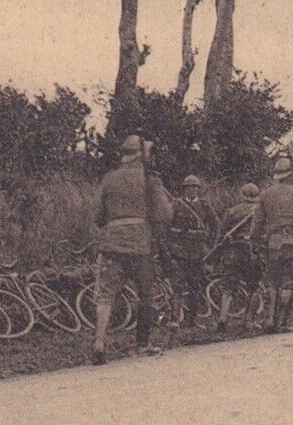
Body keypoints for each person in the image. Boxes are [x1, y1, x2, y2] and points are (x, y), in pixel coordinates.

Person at [89, 134, 173, 364]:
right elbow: (165, 214)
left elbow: (97, 215)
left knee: (106, 294)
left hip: (112, 244)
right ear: (142, 155)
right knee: (146, 294)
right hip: (140, 245)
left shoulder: (109, 179)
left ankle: (99, 342)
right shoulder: (150, 179)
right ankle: (142, 345)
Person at [250, 155, 293, 331]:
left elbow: (257, 223)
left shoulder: (265, 195)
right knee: (289, 282)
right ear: (291, 175)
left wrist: (254, 242)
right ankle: (283, 322)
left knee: (273, 282)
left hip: (273, 244)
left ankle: (271, 320)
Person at [162, 174, 215, 339]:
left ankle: (192, 321)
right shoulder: (175, 205)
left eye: (195, 187)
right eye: (188, 187)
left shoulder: (205, 205)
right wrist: (173, 243)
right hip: (179, 252)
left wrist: (210, 243)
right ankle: (174, 320)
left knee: (195, 286)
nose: (192, 190)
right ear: (184, 189)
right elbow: (166, 227)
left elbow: (215, 224)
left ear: (199, 189)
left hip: (198, 252)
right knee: (178, 287)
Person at [211, 182, 262, 332]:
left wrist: (217, 254)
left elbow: (221, 235)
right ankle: (249, 321)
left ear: (242, 195)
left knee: (229, 288)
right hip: (251, 251)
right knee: (254, 287)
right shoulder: (260, 211)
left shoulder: (232, 211)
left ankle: (222, 319)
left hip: (233, 252)